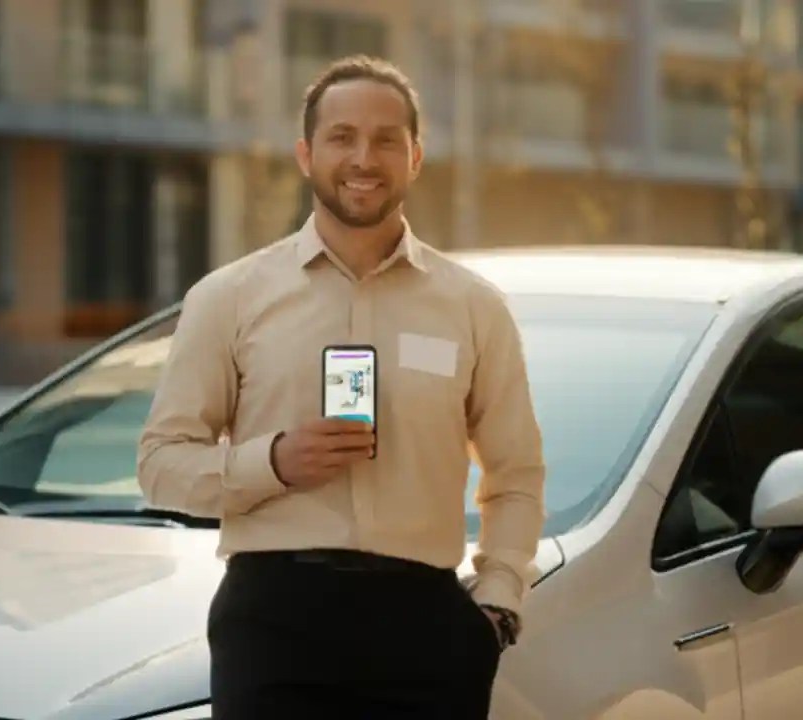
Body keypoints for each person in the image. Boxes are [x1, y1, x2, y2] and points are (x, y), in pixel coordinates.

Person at [137, 55, 546, 719]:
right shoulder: (228, 298)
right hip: (275, 623)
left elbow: (516, 473)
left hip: (427, 631)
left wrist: (498, 601)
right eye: (342, 137)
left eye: (387, 139)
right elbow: (160, 467)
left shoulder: (475, 308)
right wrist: (272, 462)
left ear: (415, 157)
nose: (365, 157)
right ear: (306, 154)